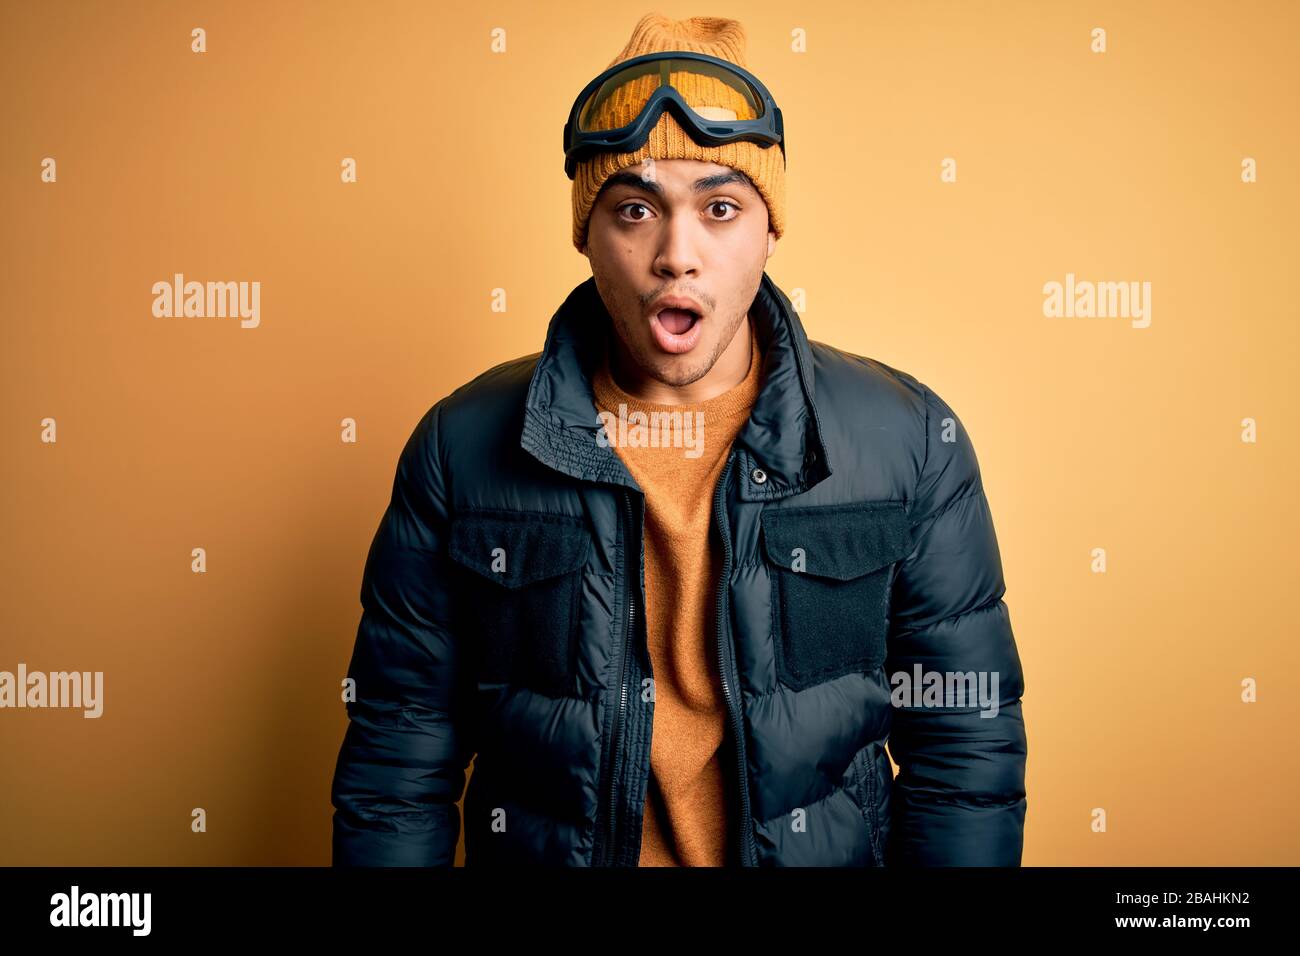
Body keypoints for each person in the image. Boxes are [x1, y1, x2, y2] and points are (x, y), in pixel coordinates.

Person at [330, 12, 1027, 867]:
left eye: (721, 207)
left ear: (771, 229)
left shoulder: (912, 439)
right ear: (584, 231)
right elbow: (399, 751)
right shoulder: (460, 448)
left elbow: (965, 739)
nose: (677, 254)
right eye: (634, 209)